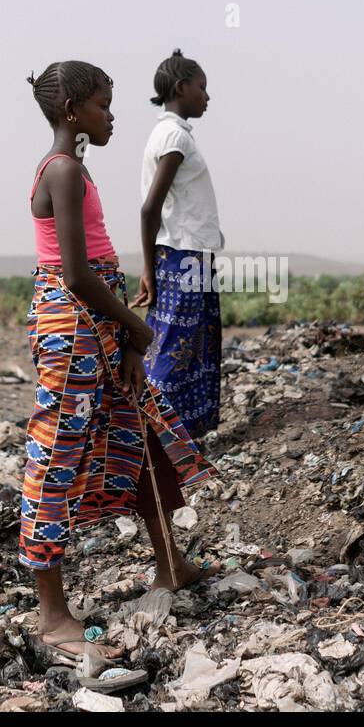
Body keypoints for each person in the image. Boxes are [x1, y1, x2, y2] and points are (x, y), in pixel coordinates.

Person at [22, 59, 217, 665]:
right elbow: (76, 274)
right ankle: (52, 614)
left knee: (140, 430)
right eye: (104, 104)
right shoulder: (64, 171)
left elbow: (92, 270)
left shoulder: (75, 170)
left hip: (97, 323)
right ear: (72, 109)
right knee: (57, 454)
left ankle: (170, 563)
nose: (112, 115)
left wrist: (129, 339)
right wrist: (137, 326)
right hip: (76, 326)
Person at [132, 49, 223, 442]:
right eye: (202, 87)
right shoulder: (172, 136)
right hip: (181, 256)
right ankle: (153, 439)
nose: (207, 96)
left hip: (190, 255)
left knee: (193, 347)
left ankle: (180, 439)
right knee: (173, 349)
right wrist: (149, 266)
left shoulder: (175, 134)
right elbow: (150, 208)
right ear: (182, 87)